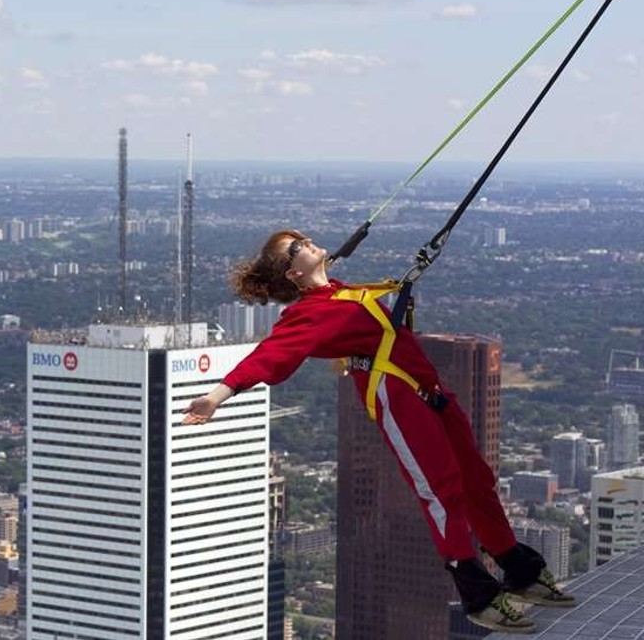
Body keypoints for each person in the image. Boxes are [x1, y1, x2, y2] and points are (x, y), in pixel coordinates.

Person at [183, 229, 575, 634]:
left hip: (430, 392)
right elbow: (270, 354)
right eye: (298, 247)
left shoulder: (340, 293)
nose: (310, 242)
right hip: (398, 399)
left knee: (476, 480)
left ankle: (519, 570)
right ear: (293, 273)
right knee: (441, 491)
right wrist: (217, 395)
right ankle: (479, 596)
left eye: (303, 238)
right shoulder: (308, 314)